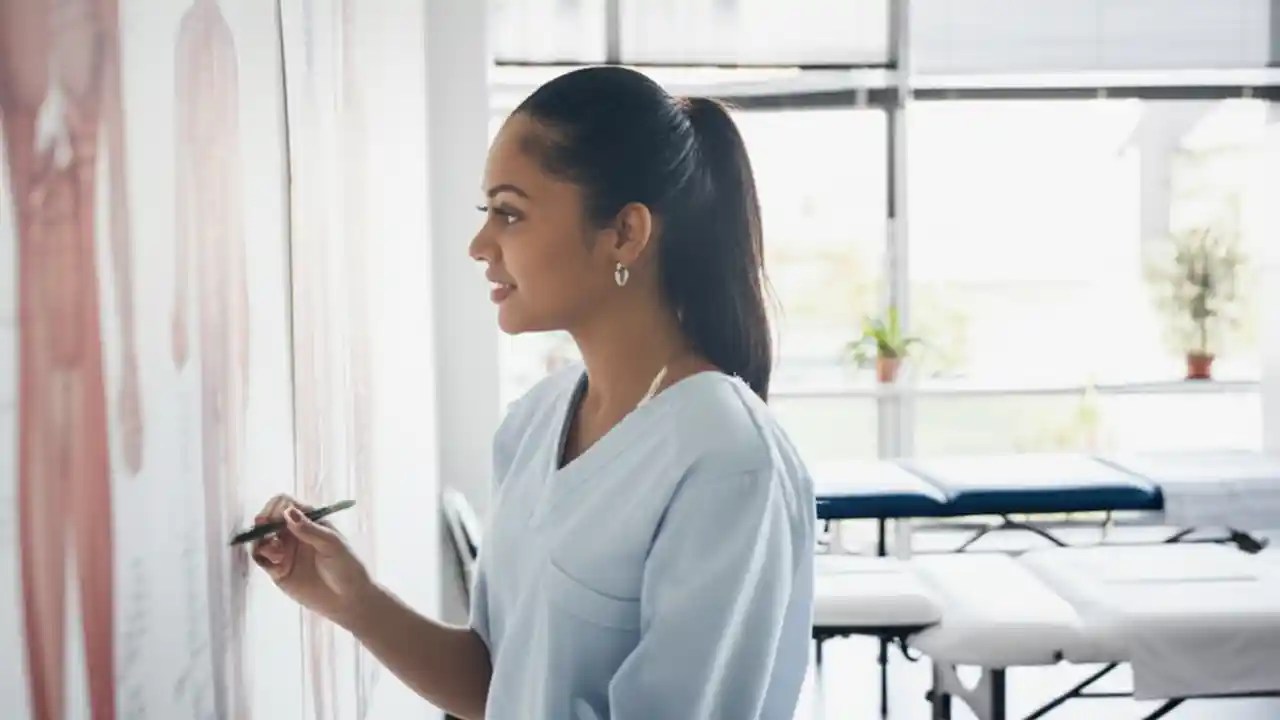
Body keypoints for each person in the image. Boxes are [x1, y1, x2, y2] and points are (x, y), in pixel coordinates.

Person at [251, 65, 816, 720]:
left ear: (625, 234)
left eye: (510, 213)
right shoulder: (536, 421)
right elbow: (497, 685)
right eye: (486, 212)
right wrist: (354, 602)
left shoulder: (726, 460)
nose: (479, 245)